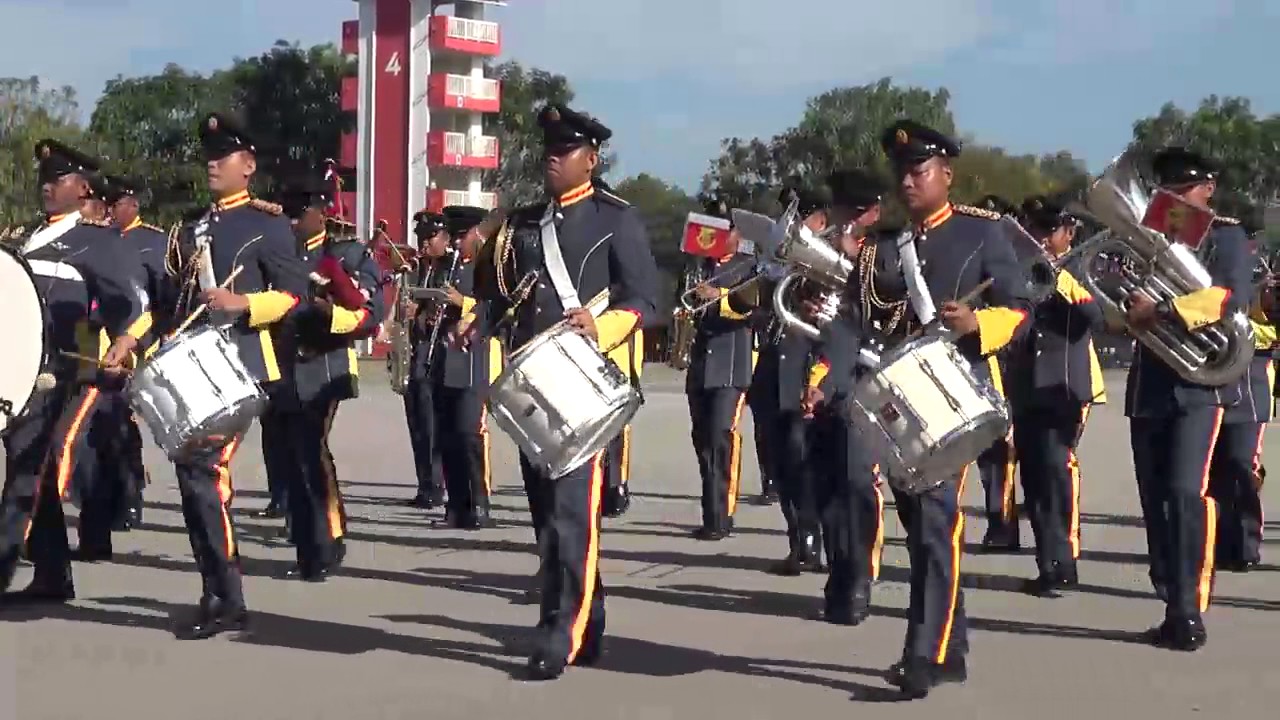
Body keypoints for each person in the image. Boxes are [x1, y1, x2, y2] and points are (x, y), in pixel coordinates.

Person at [826, 120, 1033, 697]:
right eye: (903, 173)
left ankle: (922, 654)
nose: (909, 181)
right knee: (922, 528)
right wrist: (837, 379)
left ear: (947, 174)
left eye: (920, 171)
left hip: (956, 397)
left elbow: (1021, 309)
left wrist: (980, 322)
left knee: (937, 523)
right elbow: (852, 320)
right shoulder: (884, 248)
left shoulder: (982, 234)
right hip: (897, 404)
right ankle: (952, 648)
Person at [460, 103, 659, 680]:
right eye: (548, 148)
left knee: (573, 514)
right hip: (532, 387)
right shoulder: (522, 224)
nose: (552, 157)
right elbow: (504, 292)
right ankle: (586, 621)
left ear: (591, 159)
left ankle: (558, 631)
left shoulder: (614, 219)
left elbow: (648, 300)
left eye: (565, 149)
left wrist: (605, 325)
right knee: (547, 516)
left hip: (581, 387)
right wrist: (479, 316)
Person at [163, 112, 312, 637]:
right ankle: (217, 589)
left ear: (247, 166)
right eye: (207, 155)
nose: (211, 164)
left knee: (204, 472)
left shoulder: (268, 225)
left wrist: (242, 302)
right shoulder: (190, 226)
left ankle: (226, 597)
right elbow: (174, 298)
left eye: (221, 156)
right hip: (199, 368)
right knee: (193, 478)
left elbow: (297, 298)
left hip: (247, 368)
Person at [0, 140, 149, 603]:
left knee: (27, 472)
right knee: (31, 472)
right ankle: (52, 575)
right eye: (44, 178)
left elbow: (135, 303)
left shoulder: (96, 241)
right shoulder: (23, 238)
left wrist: (127, 342)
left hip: (62, 376)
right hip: (17, 373)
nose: (47, 186)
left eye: (59, 179)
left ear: (82, 188)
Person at [1125, 146, 1253, 651]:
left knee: (1184, 496)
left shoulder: (1226, 236)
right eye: (1170, 192)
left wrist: (1164, 310)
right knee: (1155, 505)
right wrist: (1128, 310)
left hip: (1200, 388)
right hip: (1149, 388)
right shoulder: (1148, 237)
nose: (1179, 200)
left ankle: (1188, 610)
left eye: (1188, 191)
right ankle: (1170, 595)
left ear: (1209, 189)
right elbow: (1117, 300)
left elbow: (1230, 297)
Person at [272, 174, 385, 580]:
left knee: (310, 451)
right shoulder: (280, 253)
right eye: (289, 213)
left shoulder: (347, 255)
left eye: (300, 213)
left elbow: (372, 314)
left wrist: (330, 315)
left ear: (321, 213)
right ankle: (307, 547)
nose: (292, 221)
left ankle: (326, 541)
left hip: (323, 366)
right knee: (289, 456)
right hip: (281, 368)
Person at [1004, 195, 1107, 596]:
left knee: (1056, 470)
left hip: (1063, 384)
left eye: (1051, 231)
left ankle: (1064, 557)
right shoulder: (1017, 265)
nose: (1042, 238)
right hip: (1025, 384)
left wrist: (1060, 278)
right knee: (1033, 476)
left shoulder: (1085, 267)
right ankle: (1049, 562)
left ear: (1070, 233)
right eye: (1037, 229)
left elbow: (1097, 317)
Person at [801, 169, 887, 622]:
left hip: (863, 382)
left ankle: (858, 579)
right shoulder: (822, 256)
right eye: (838, 211)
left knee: (856, 484)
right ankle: (838, 573)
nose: (841, 221)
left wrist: (855, 268)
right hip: (820, 380)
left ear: (872, 212)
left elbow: (884, 315)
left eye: (852, 213)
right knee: (828, 486)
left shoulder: (884, 256)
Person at [755, 185, 832, 573]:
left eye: (804, 217)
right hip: (773, 370)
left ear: (821, 221)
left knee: (806, 464)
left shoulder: (832, 265)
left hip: (806, 369)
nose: (797, 225)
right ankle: (796, 539)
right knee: (780, 463)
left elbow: (836, 330)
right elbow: (760, 313)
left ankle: (813, 540)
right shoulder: (778, 263)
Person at [416, 204, 498, 529]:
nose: (456, 243)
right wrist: (427, 317)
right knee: (446, 436)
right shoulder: (442, 268)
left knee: (469, 434)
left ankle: (480, 503)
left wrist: (460, 303)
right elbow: (426, 311)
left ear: (476, 233)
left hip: (472, 359)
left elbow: (494, 307)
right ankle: (456, 505)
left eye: (461, 236)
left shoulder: (488, 266)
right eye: (453, 236)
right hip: (442, 360)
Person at [685, 198, 757, 541]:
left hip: (730, 364)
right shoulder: (699, 265)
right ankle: (709, 512)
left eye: (722, 230)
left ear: (735, 233)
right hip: (701, 364)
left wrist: (719, 295)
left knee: (721, 439)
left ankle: (721, 515)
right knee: (702, 441)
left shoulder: (749, 266)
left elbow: (754, 307)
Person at [971, 194, 1023, 552]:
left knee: (1005, 451)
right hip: (989, 357)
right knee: (990, 451)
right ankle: (998, 521)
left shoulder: (1021, 256)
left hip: (1019, 363)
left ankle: (1006, 522)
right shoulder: (976, 256)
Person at [402, 210, 450, 510]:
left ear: (444, 238)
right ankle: (424, 484)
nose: (423, 244)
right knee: (417, 423)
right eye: (420, 238)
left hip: (440, 354)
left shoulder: (450, 268)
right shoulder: (418, 268)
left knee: (433, 424)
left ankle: (437, 485)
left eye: (429, 238)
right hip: (416, 351)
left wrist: (418, 314)